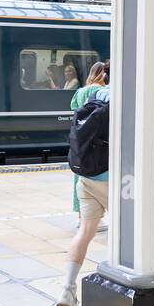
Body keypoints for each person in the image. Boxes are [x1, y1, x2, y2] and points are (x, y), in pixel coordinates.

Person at [57, 78, 110, 306]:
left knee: (85, 232)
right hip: (113, 179)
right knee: (128, 232)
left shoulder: (96, 96)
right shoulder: (128, 96)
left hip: (86, 176)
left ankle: (67, 289)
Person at [69, 61, 109, 230]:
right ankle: (96, 218)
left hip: (81, 140)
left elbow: (73, 108)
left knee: (81, 178)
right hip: (98, 142)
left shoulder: (81, 91)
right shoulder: (100, 91)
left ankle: (82, 216)